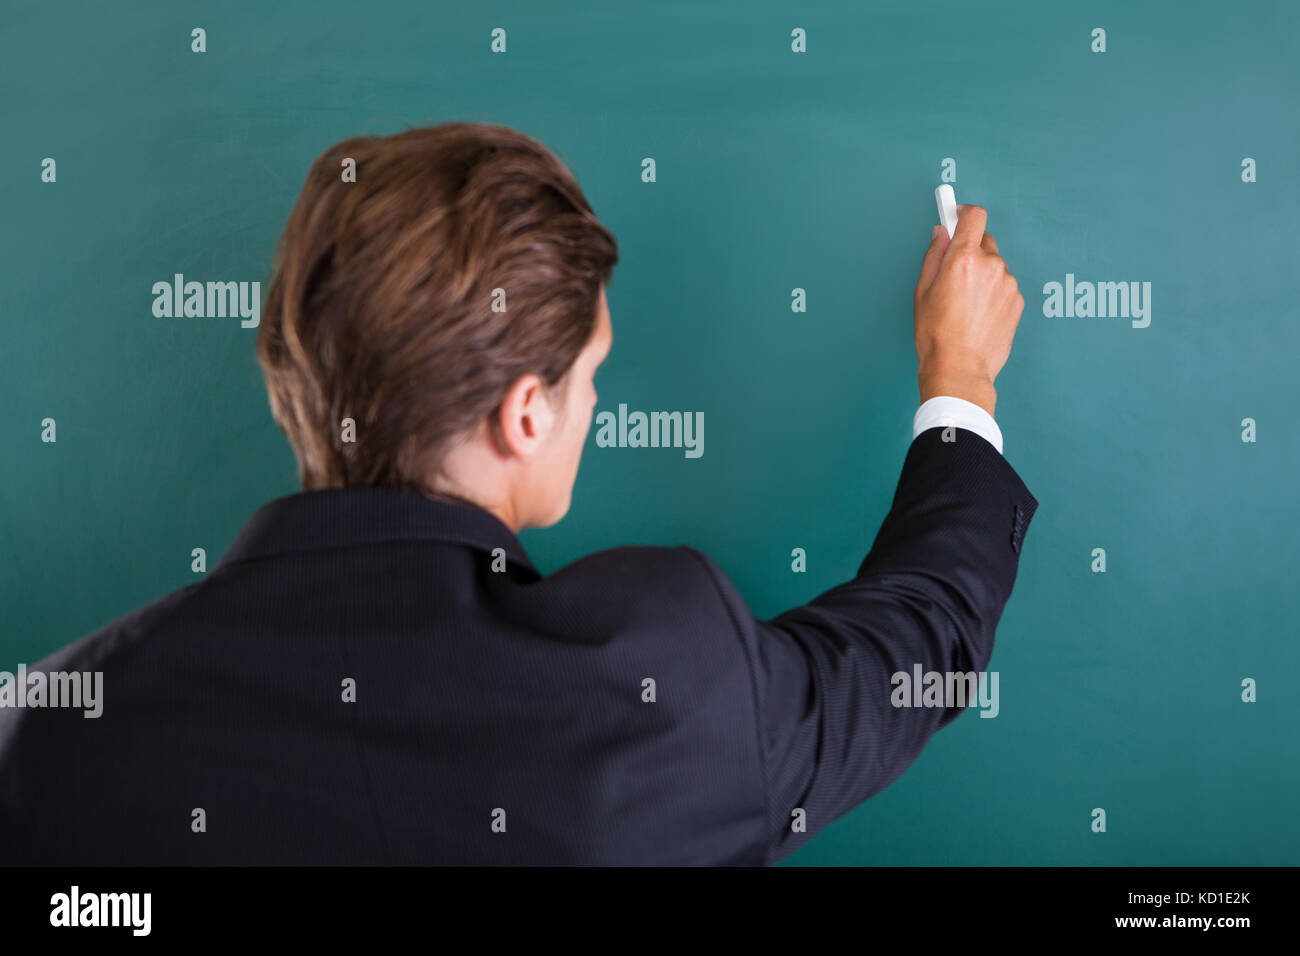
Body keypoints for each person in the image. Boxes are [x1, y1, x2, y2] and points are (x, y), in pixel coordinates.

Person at [0, 122, 1034, 865]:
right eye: (592, 373)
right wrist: (959, 378)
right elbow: (921, 638)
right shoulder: (657, 690)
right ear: (525, 411)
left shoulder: (43, 731)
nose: (594, 406)